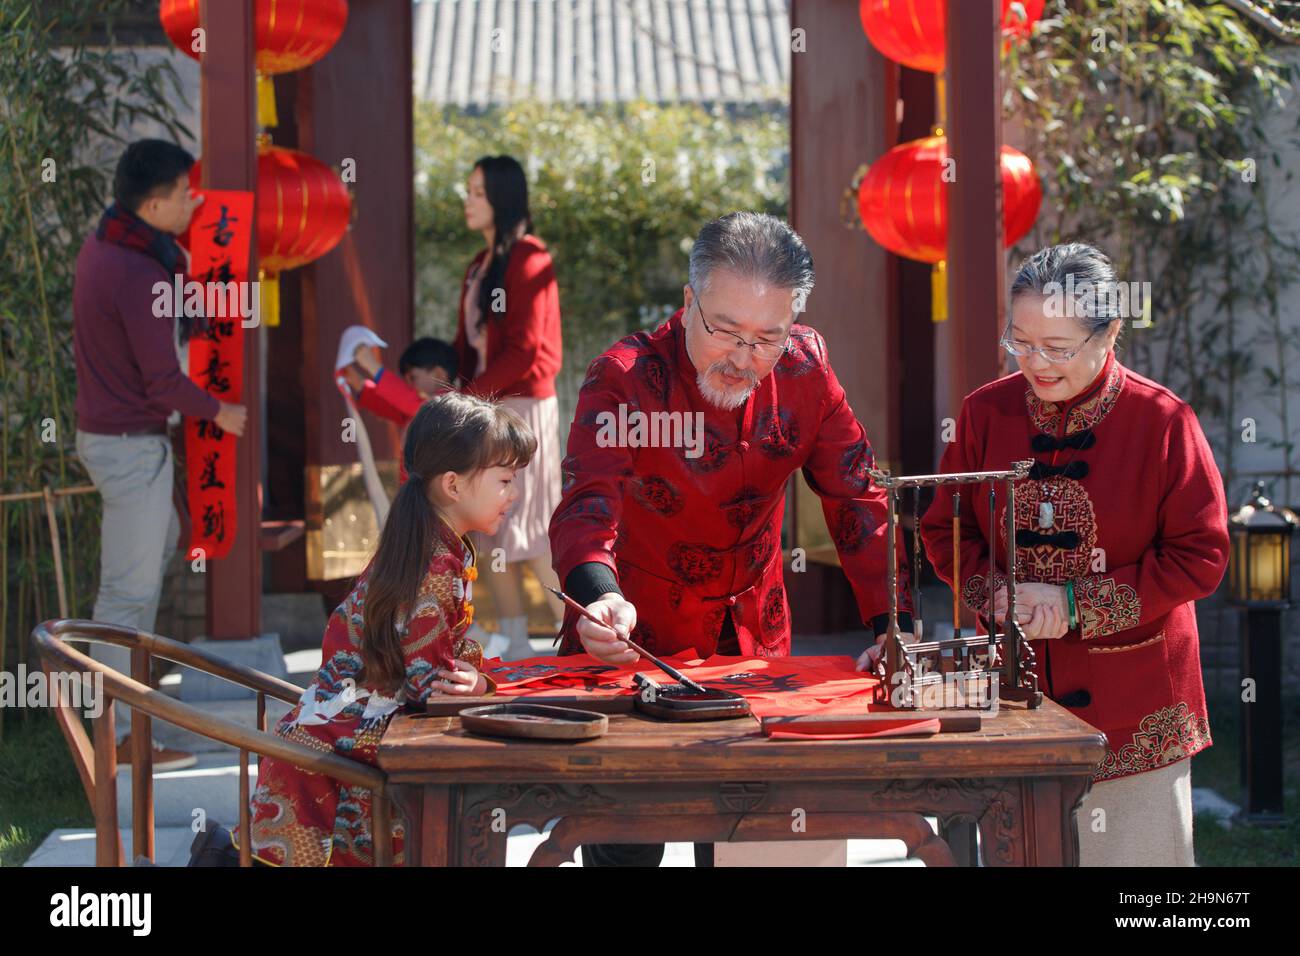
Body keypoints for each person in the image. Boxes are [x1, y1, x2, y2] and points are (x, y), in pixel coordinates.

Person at [549, 211, 912, 866]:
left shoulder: (805, 371)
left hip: (754, 637)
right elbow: (586, 503)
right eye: (725, 331)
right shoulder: (625, 377)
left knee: (755, 841)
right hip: (633, 639)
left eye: (767, 337)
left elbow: (858, 496)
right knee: (625, 844)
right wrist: (597, 596)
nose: (745, 358)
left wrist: (895, 622)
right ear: (688, 302)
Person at [920, 243, 1229, 867]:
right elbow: (945, 532)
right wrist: (998, 596)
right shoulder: (986, 412)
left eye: (1058, 347)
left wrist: (1075, 604)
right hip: (1013, 695)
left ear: (1110, 331)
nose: (1036, 362)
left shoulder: (1162, 420)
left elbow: (1201, 554)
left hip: (1136, 706)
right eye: (1022, 341)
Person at [237, 391, 536, 866]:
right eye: (505, 479)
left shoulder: (427, 543)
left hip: (331, 728)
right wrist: (479, 682)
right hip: (345, 747)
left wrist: (473, 671)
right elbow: (427, 685)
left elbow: (430, 658)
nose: (514, 493)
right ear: (454, 486)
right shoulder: (435, 563)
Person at [73, 139, 247, 772]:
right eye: (182, 193)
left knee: (154, 554)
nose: (193, 200)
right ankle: (116, 742)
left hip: (114, 441)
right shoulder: (142, 270)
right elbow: (162, 383)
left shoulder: (110, 245)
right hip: (129, 447)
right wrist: (220, 412)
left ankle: (123, 727)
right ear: (152, 203)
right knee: (123, 600)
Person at [453, 155, 565, 660]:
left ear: (500, 197)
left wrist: (465, 396)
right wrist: (455, 395)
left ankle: (582, 633)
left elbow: (525, 351)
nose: (468, 200)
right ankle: (515, 638)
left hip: (522, 407)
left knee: (537, 529)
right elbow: (468, 345)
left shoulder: (530, 257)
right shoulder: (480, 263)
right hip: (488, 405)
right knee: (493, 526)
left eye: (477, 192)